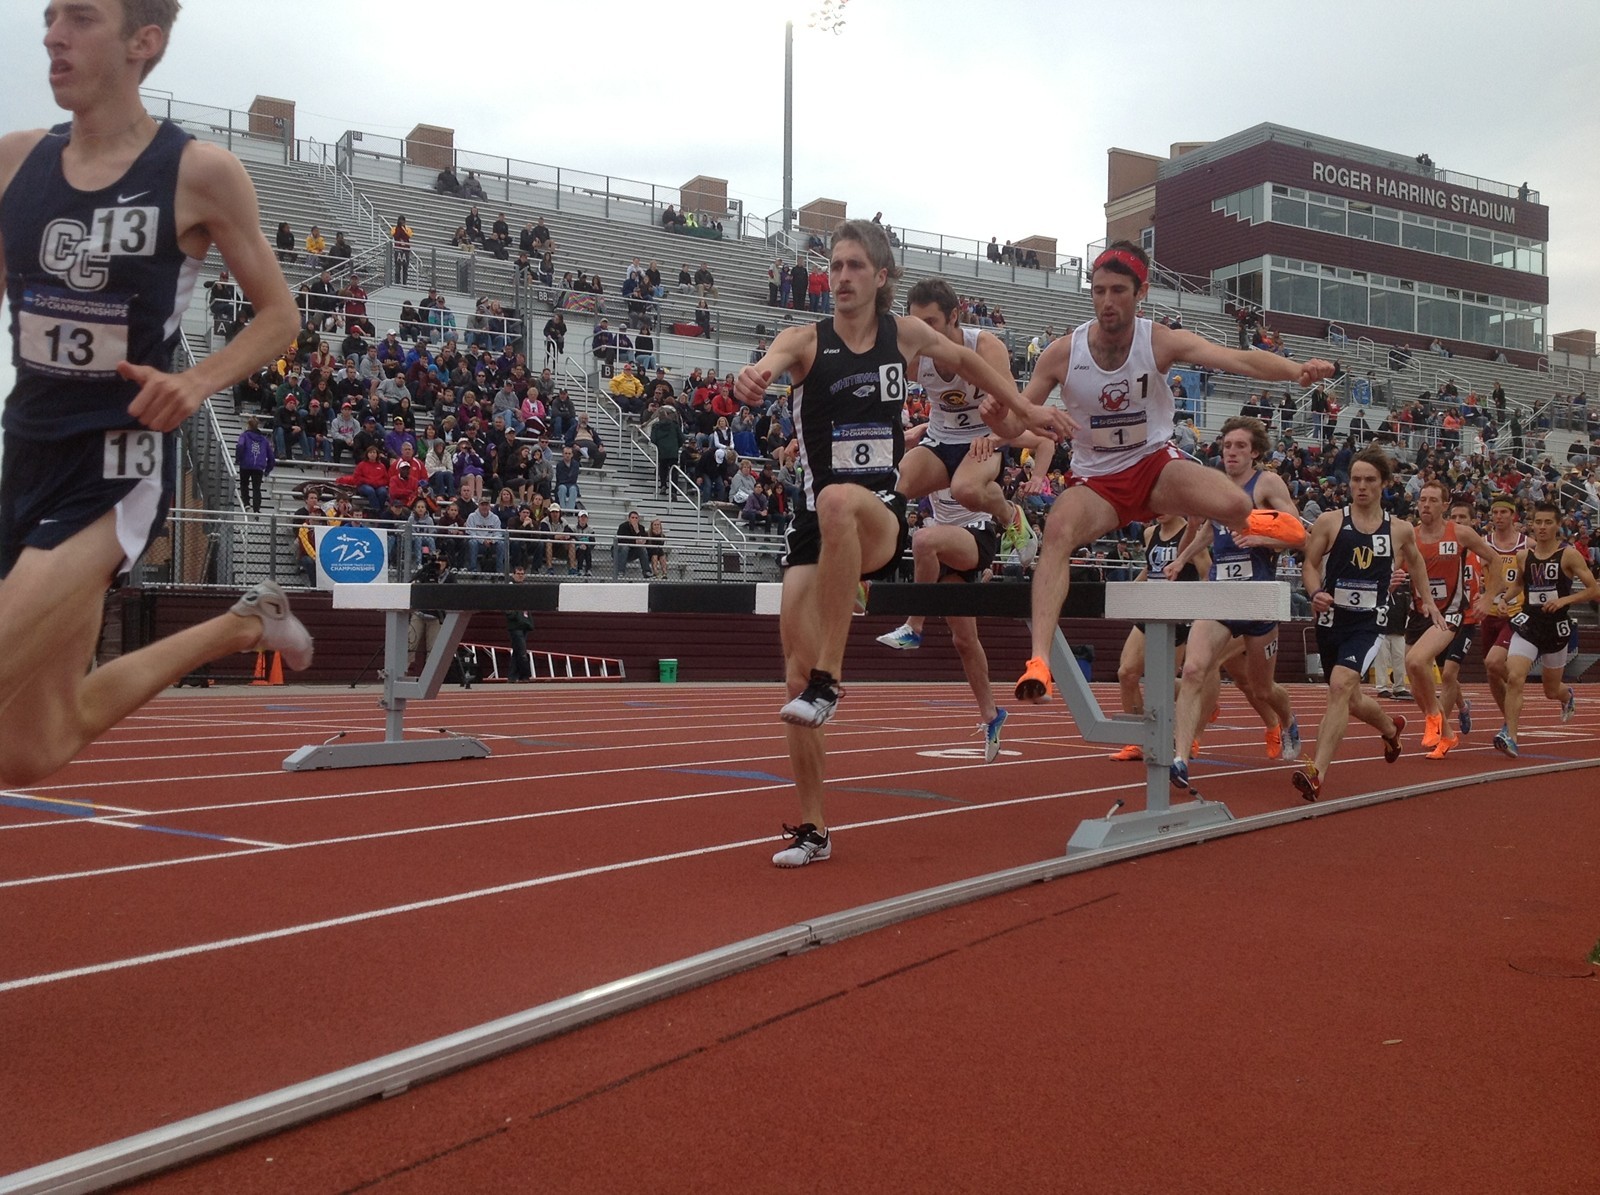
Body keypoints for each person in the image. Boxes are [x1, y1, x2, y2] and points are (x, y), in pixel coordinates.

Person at [0, 0, 312, 785]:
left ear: (145, 42)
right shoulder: (13, 163)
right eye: (47, 17)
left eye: (79, 17)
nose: (51, 35)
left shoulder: (198, 173)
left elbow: (279, 317)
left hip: (118, 461)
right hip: (27, 451)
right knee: (30, 749)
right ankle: (240, 628)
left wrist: (195, 381)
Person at [733, 219, 1068, 868]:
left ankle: (833, 680)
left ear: (882, 277)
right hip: (814, 530)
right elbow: (769, 363)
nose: (843, 277)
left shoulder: (903, 336)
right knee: (790, 677)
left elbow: (969, 363)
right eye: (835, 266)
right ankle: (814, 828)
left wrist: (1025, 414)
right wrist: (756, 376)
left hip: (879, 514)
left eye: (856, 265)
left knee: (838, 502)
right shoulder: (805, 341)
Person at [984, 243, 1329, 705]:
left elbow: (1237, 359)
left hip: (1154, 464)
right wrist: (996, 420)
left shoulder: (1158, 340)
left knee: (1235, 504)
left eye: (1118, 291)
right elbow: (1017, 420)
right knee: (1058, 533)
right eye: (1099, 290)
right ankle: (1039, 661)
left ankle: (1264, 523)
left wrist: (1295, 371)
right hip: (1097, 481)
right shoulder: (1063, 353)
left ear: (1140, 292)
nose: (1107, 301)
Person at [1292, 449, 1442, 801]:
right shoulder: (1330, 522)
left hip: (1369, 622)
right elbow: (1310, 565)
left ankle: (1316, 772)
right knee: (1353, 698)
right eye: (1356, 479)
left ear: (1384, 484)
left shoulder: (1400, 529)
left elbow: (1417, 564)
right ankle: (1391, 728)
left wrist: (1428, 601)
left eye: (1369, 480)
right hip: (1330, 619)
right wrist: (1314, 592)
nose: (1361, 486)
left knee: (1340, 686)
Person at [1167, 417, 1306, 790]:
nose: (1231, 452)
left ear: (1255, 452)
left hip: (1258, 598)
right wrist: (1183, 559)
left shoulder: (1267, 483)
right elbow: (1212, 528)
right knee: (1194, 670)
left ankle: (1288, 718)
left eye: (1240, 446)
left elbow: (1297, 532)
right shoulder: (1216, 485)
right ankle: (1179, 757)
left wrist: (1261, 540)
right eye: (1227, 445)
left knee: (1262, 689)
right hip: (1221, 594)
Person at [894, 278, 1042, 565]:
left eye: (930, 322)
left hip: (981, 438)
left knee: (966, 490)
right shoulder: (914, 357)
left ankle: (1009, 514)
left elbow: (1015, 410)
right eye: (916, 323)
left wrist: (996, 436)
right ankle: (866, 568)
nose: (922, 332)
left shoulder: (986, 347)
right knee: (891, 488)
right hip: (941, 438)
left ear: (953, 316)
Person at [873, 485, 1010, 761]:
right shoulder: (930, 452)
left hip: (974, 535)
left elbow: (1028, 440)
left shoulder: (977, 451)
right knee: (964, 640)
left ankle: (914, 625)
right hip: (946, 541)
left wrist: (1039, 470)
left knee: (923, 540)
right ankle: (992, 714)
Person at [1488, 501, 1599, 757]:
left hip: (1556, 628)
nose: (1542, 527)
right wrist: (1504, 600)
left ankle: (1565, 695)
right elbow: (1518, 585)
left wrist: (1564, 600)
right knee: (1515, 677)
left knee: (1550, 690)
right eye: (1538, 522)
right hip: (1529, 623)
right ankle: (1511, 735)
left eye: (1548, 522)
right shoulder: (1524, 556)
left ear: (1558, 525)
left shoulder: (1568, 554)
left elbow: (1594, 589)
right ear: (1531, 524)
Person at [1398, 481, 1502, 759]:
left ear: (1444, 506)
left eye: (1433, 500)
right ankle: (1446, 733)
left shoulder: (1460, 534)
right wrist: (1391, 579)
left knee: (1417, 661)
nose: (1426, 505)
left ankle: (1434, 718)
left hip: (1452, 611)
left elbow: (1497, 560)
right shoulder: (1409, 536)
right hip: (1420, 612)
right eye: (1422, 500)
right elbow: (1392, 569)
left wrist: (1489, 598)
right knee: (1414, 676)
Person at [234, 414, 275, 513]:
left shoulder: (244, 435)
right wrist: (268, 469)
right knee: (256, 488)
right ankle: (256, 508)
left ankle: (247, 503)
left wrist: (238, 458)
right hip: (258, 466)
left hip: (245, 464)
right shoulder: (264, 440)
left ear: (248, 425)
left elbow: (240, 445)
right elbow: (271, 457)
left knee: (244, 484)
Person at [505, 564, 534, 681]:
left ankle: (512, 676)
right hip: (515, 623)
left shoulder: (526, 588)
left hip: (524, 623)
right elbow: (506, 604)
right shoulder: (510, 588)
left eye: (522, 574)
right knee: (522, 651)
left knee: (517, 651)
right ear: (513, 575)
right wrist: (513, 615)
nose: (520, 576)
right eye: (518, 574)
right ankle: (525, 675)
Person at [613, 509, 650, 578]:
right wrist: (635, 541)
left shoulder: (641, 528)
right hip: (619, 551)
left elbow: (645, 540)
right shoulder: (623, 526)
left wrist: (637, 531)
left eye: (636, 518)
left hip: (632, 552)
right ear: (629, 519)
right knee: (625, 547)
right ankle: (620, 571)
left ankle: (647, 571)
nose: (634, 519)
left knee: (642, 548)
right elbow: (622, 540)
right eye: (632, 518)